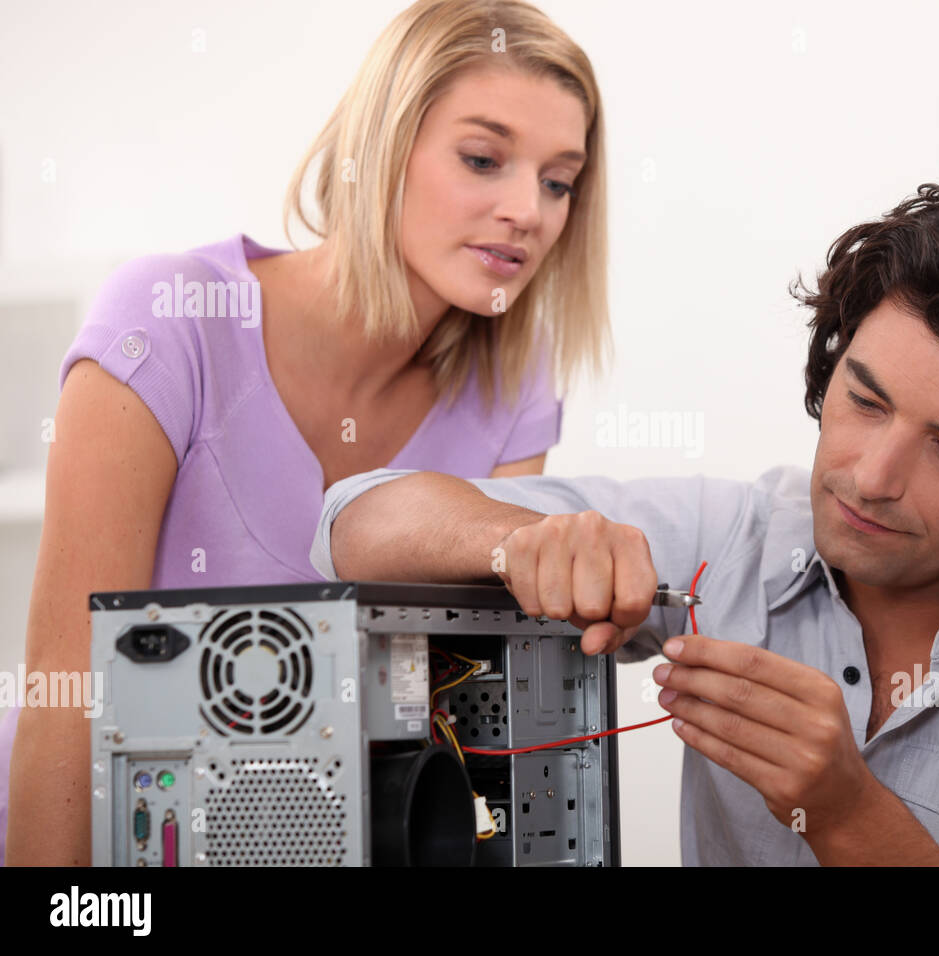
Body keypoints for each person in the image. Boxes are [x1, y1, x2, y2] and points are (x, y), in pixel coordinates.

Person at [309, 183, 939, 865]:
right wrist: (517, 542)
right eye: (863, 400)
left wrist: (846, 812)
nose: (869, 477)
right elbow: (361, 518)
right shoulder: (740, 535)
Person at [2, 0, 611, 866]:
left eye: (558, 181)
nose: (528, 211)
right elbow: (67, 692)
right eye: (483, 159)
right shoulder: (170, 322)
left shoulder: (513, 387)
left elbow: (462, 704)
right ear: (383, 148)